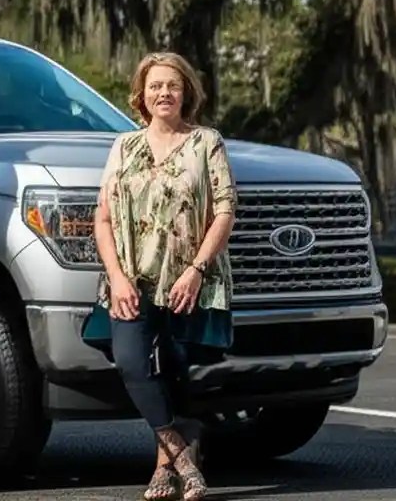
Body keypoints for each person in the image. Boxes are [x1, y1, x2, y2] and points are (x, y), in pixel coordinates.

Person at [90, 51, 237, 501]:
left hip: (188, 281)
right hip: (131, 280)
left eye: (172, 85)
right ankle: (183, 454)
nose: (164, 93)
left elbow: (226, 209)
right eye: (155, 86)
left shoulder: (206, 142)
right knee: (132, 361)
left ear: (186, 91)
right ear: (142, 94)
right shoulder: (124, 146)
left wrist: (196, 270)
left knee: (175, 372)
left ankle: (162, 471)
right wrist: (116, 277)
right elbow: (103, 218)